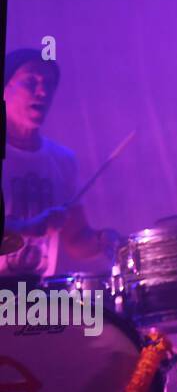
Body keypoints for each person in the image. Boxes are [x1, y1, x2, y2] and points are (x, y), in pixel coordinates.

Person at [1, 49, 114, 280]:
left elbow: (75, 240)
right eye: (31, 81)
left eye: (49, 84)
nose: (42, 91)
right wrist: (29, 227)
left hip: (34, 295)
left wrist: (104, 240)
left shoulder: (62, 160)